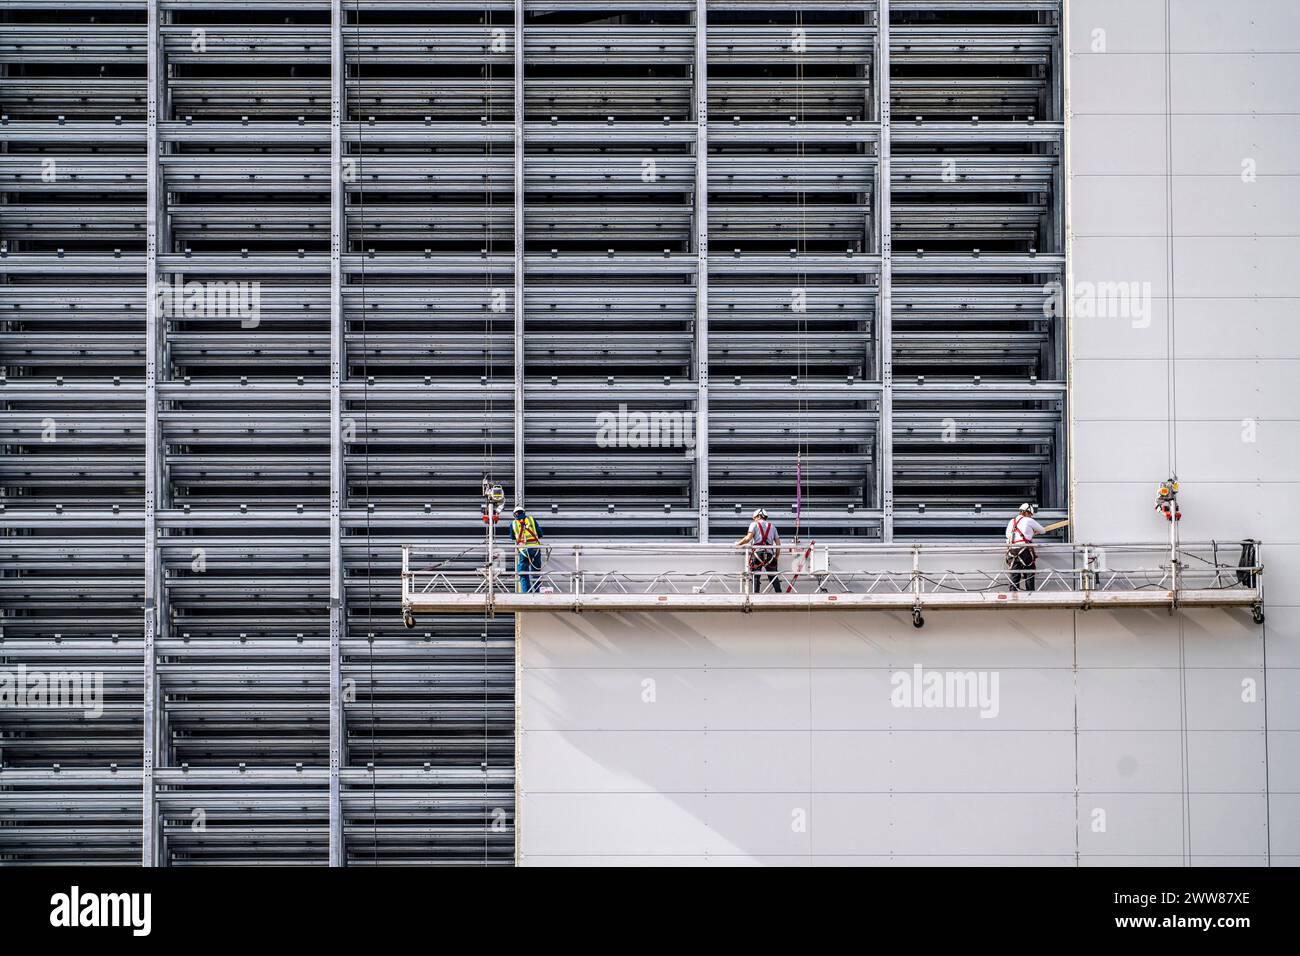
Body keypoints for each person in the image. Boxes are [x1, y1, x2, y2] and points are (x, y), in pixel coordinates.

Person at [736, 507, 783, 593]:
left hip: (758, 554)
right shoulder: (772, 526)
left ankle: (756, 595)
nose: (754, 519)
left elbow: (748, 538)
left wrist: (738, 544)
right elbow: (778, 544)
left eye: (754, 518)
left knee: (756, 576)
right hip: (769, 555)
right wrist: (776, 557)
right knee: (773, 576)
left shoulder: (754, 524)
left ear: (758, 516)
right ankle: (779, 594)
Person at [1005, 503, 1046, 591]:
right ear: (1027, 512)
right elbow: (1043, 530)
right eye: (1030, 514)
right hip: (1024, 550)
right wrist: (1032, 531)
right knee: (1029, 572)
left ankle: (1013, 594)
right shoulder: (1028, 520)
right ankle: (1030, 594)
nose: (1031, 516)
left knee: (1015, 574)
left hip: (1011, 551)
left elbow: (1008, 536)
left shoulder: (1011, 521)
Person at [511, 505, 543, 593]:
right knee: (536, 572)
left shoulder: (513, 524)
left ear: (514, 515)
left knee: (523, 573)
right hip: (535, 549)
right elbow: (540, 534)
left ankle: (526, 593)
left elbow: (512, 537)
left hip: (523, 551)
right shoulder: (532, 520)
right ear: (524, 513)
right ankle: (537, 592)